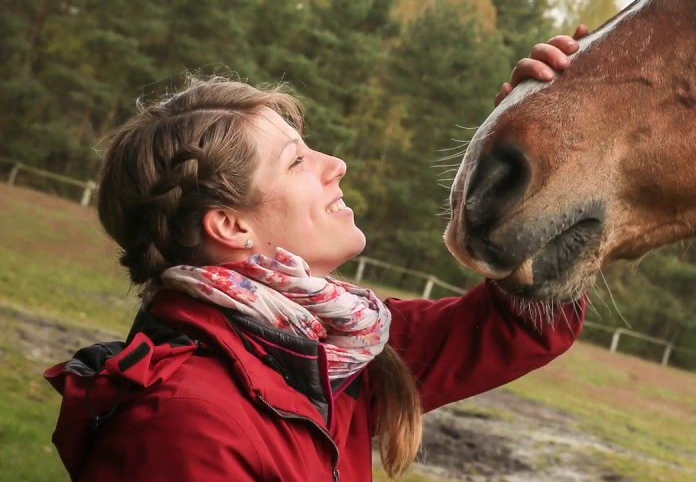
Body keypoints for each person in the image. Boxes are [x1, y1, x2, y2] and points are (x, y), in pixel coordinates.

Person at [45, 29, 589, 481]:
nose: (336, 164)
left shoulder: (331, 346)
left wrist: (542, 145)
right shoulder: (184, 424)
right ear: (231, 226)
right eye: (296, 161)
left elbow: (518, 328)